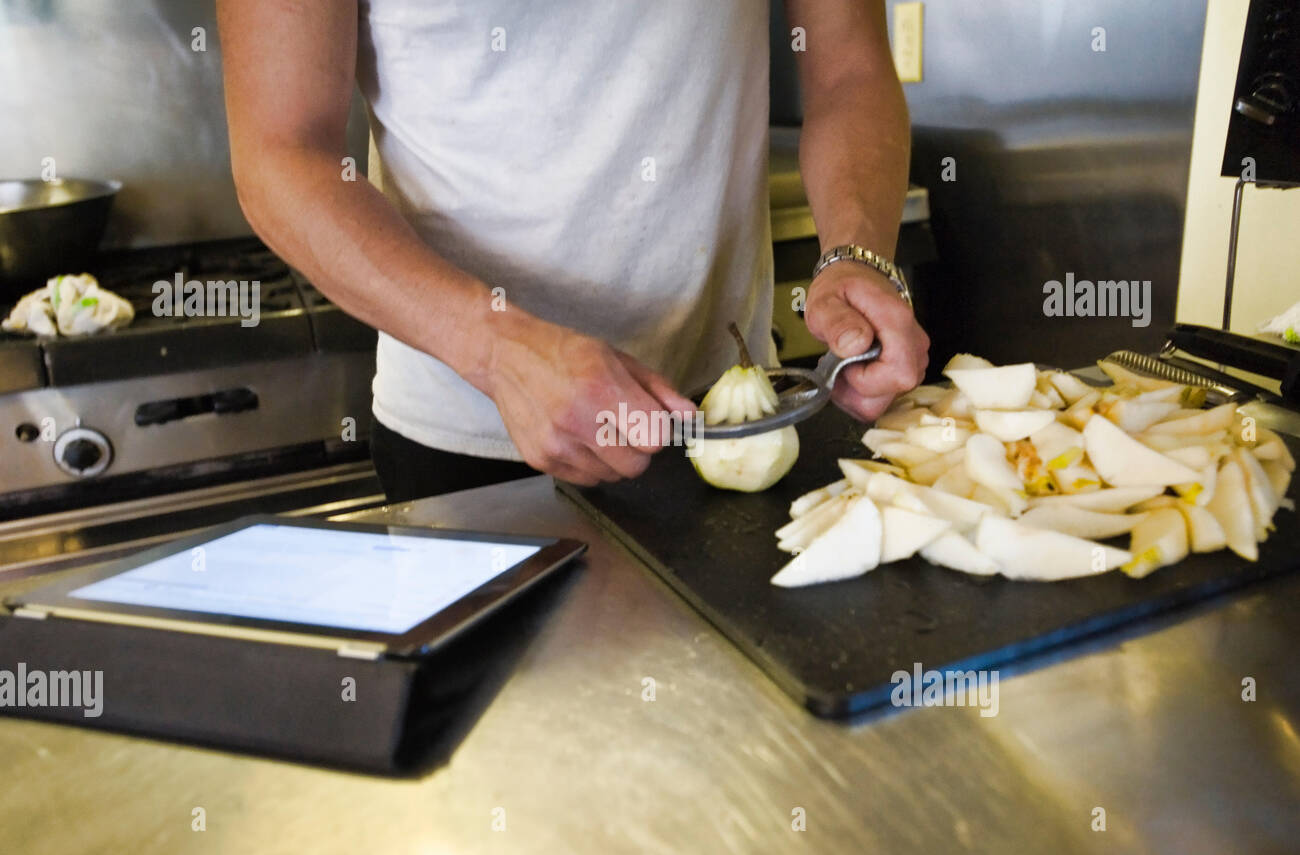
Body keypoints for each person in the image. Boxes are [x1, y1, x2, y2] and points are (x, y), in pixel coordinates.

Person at [217, 0, 929, 502]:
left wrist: (859, 253)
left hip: (735, 421)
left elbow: (849, 71)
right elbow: (280, 158)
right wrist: (496, 348)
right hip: (473, 450)